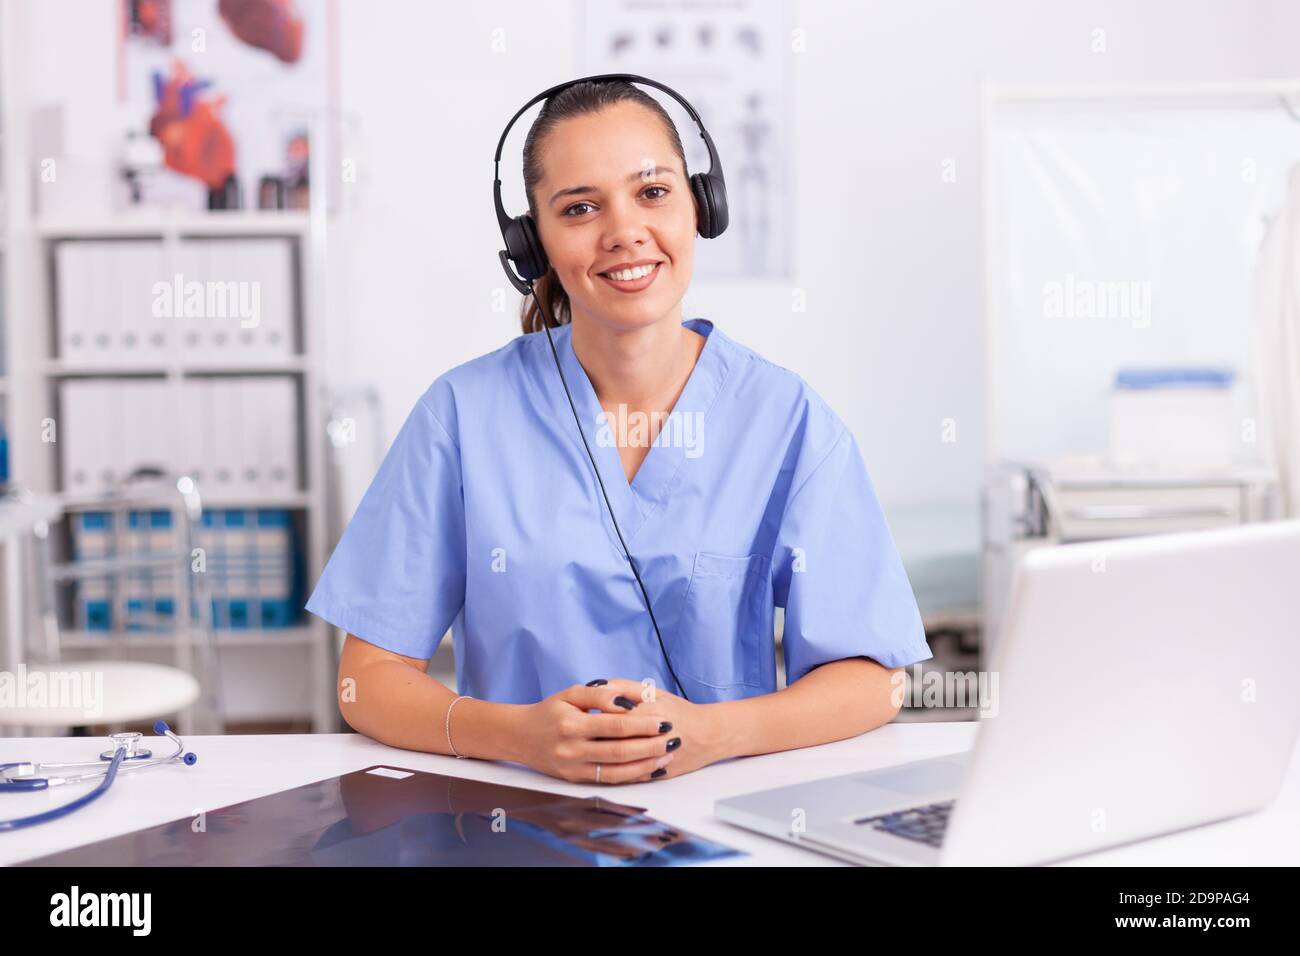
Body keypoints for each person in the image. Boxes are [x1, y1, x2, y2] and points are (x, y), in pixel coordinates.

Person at [305, 78, 933, 787]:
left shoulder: (785, 420)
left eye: (654, 192)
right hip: (516, 825)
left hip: (721, 825)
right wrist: (517, 737)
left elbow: (875, 679)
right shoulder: (460, 416)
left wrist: (715, 733)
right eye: (579, 208)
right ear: (532, 243)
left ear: (702, 205)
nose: (625, 231)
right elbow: (367, 678)